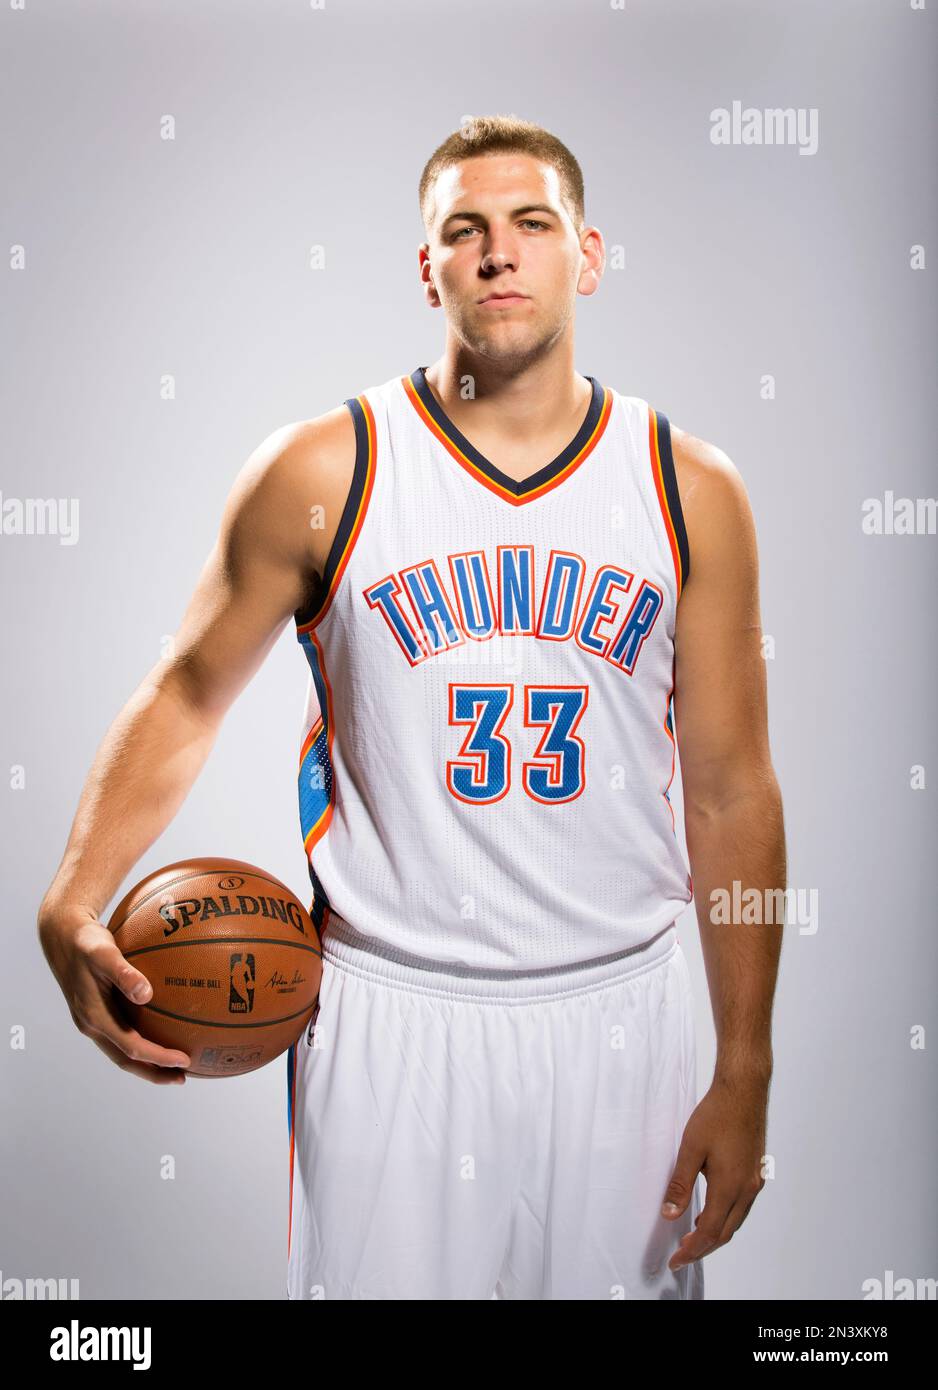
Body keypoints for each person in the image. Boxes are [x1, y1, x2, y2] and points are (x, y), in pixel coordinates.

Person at [37, 114, 785, 1300]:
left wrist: (743, 1063)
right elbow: (186, 691)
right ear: (426, 267)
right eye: (464, 231)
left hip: (619, 1019)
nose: (498, 253)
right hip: (392, 1015)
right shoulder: (323, 472)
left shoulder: (686, 486)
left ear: (584, 256)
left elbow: (733, 782)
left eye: (530, 225)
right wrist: (73, 897)